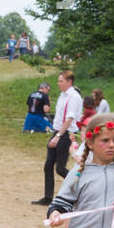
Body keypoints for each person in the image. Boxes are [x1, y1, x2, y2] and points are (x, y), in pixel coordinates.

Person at [32, 70, 82, 205]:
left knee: (60, 168)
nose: (58, 83)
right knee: (48, 166)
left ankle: (81, 187)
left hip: (65, 133)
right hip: (58, 131)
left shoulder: (74, 97)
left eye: (61, 81)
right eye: (58, 80)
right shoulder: (62, 95)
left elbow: (69, 119)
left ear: (69, 82)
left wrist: (58, 136)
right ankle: (48, 197)